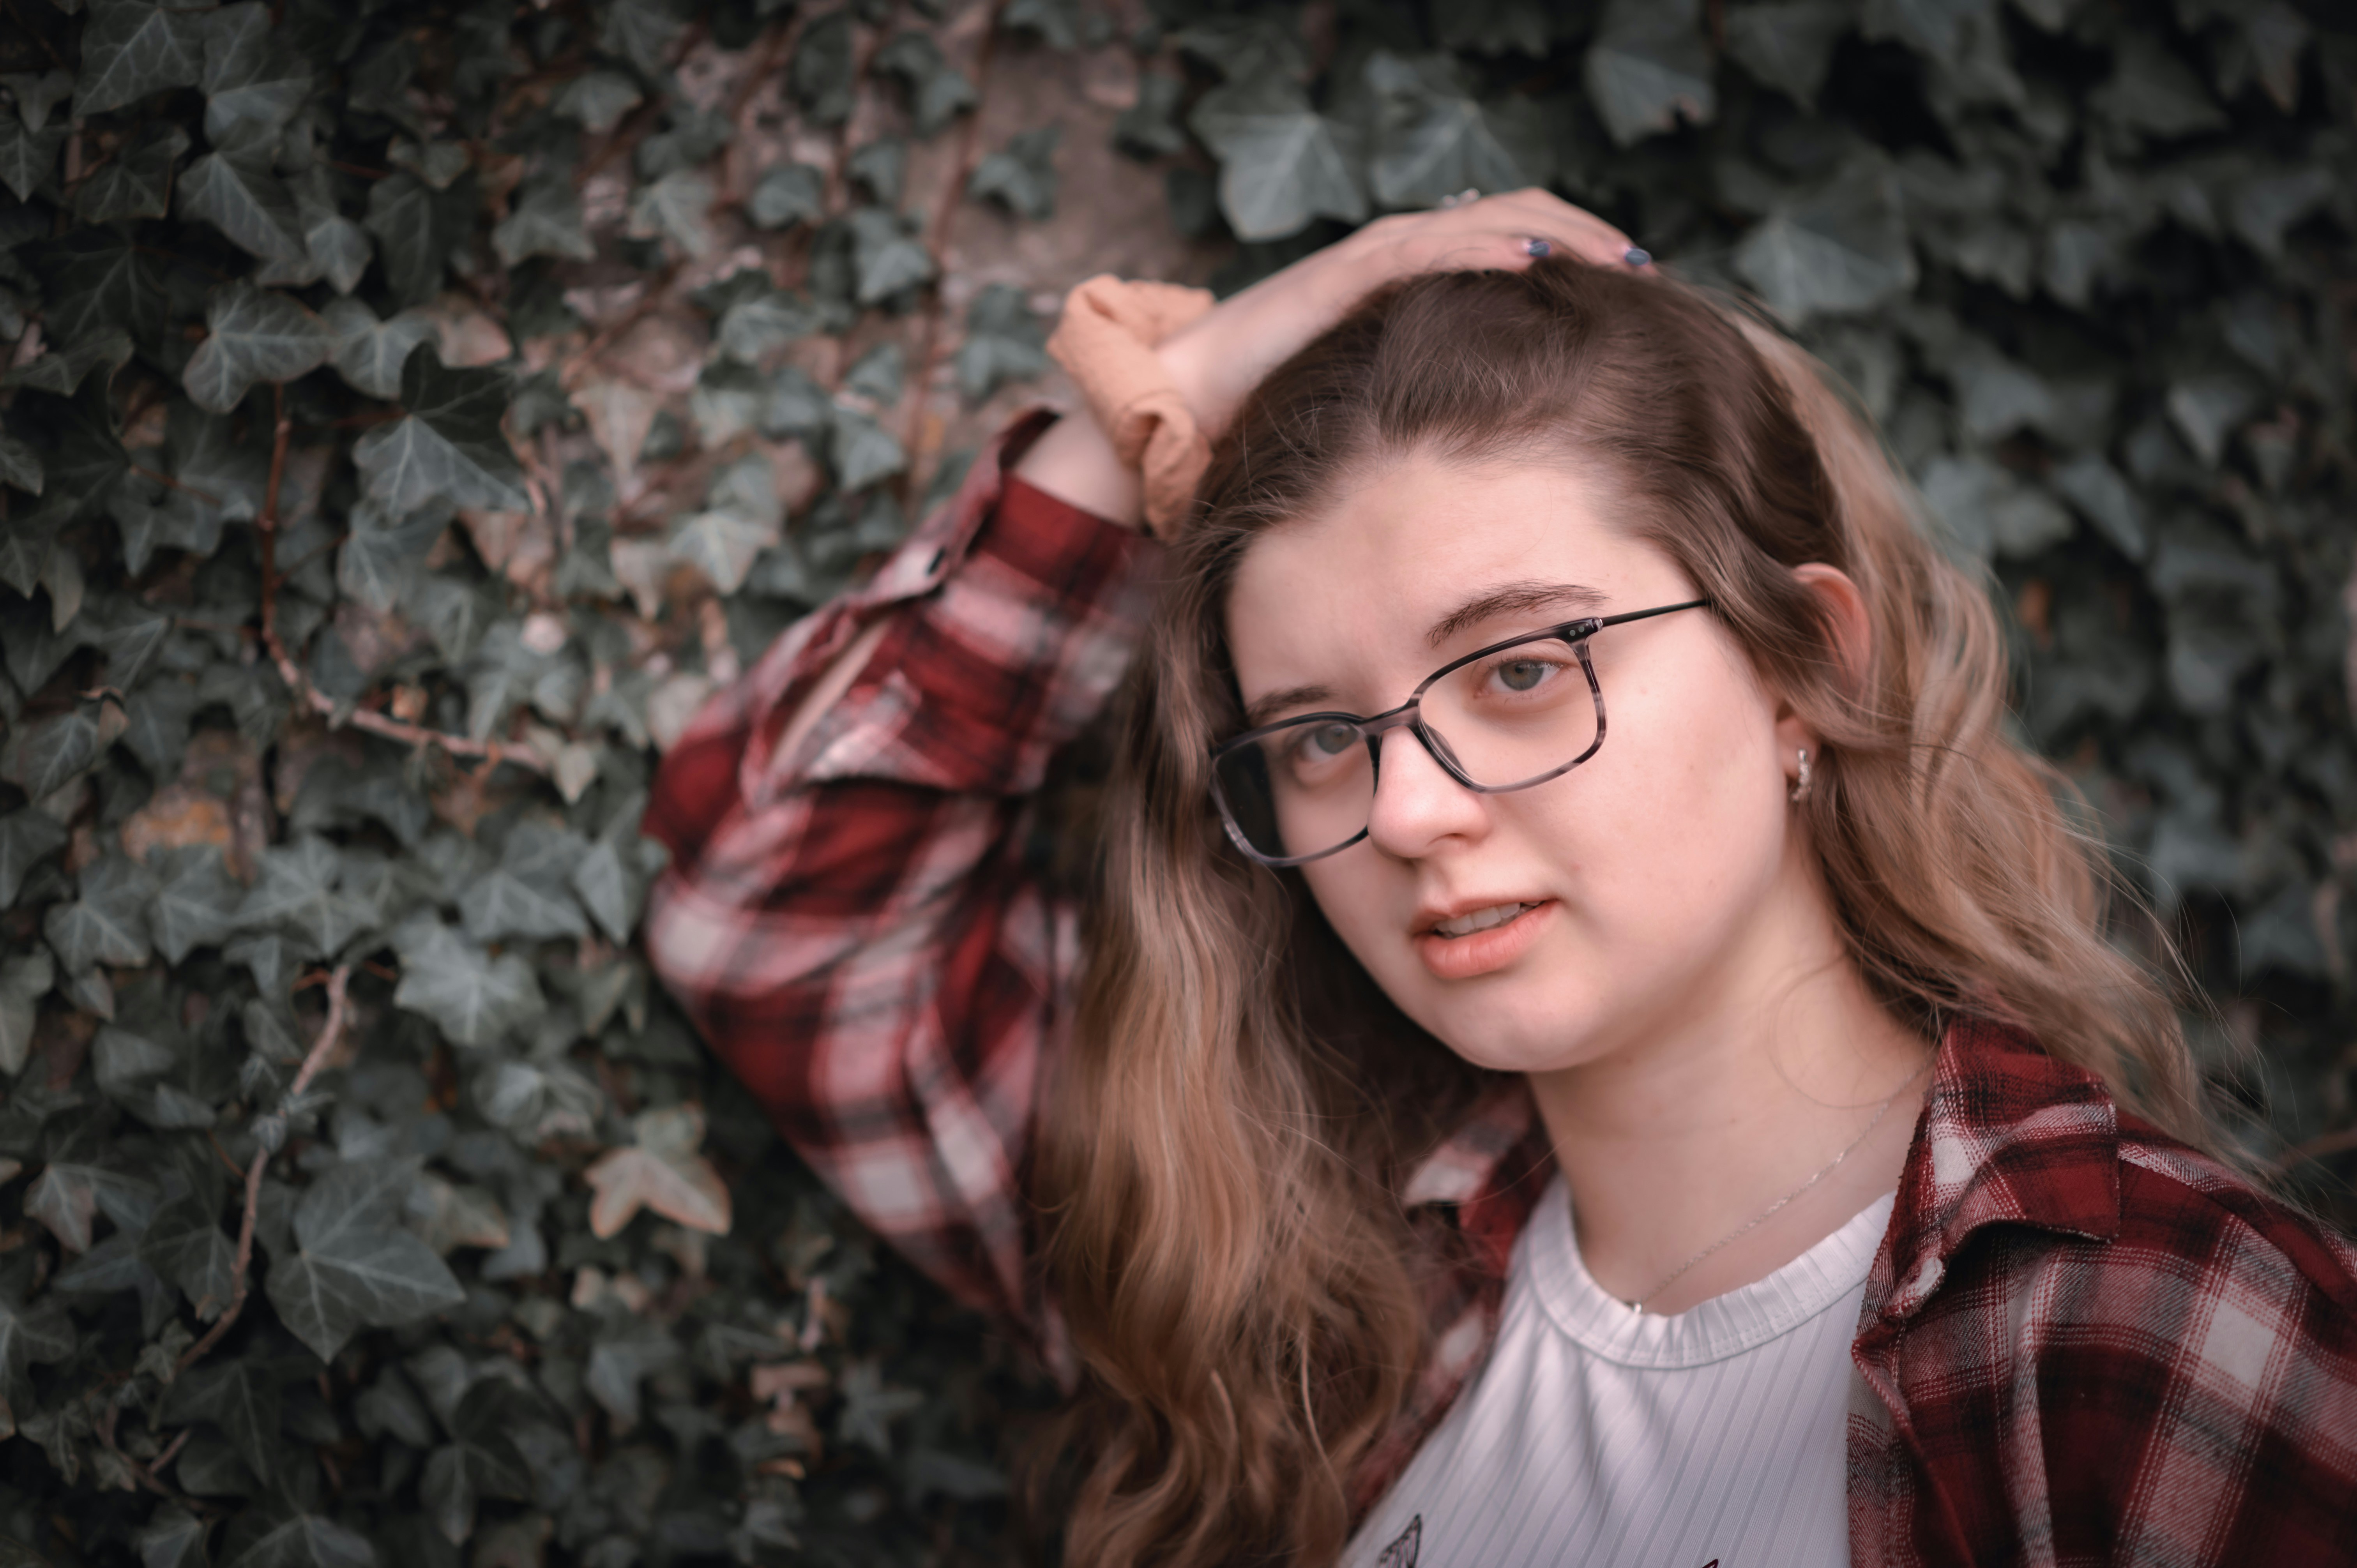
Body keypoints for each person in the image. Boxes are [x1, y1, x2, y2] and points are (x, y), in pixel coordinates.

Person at [642, 190, 2357, 1567]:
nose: (1401, 809)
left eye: (1522, 668)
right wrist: (1163, 396)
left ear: (1805, 674)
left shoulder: (2160, 1333)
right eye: (1317, 734)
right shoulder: (1286, 1267)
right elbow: (781, 911)